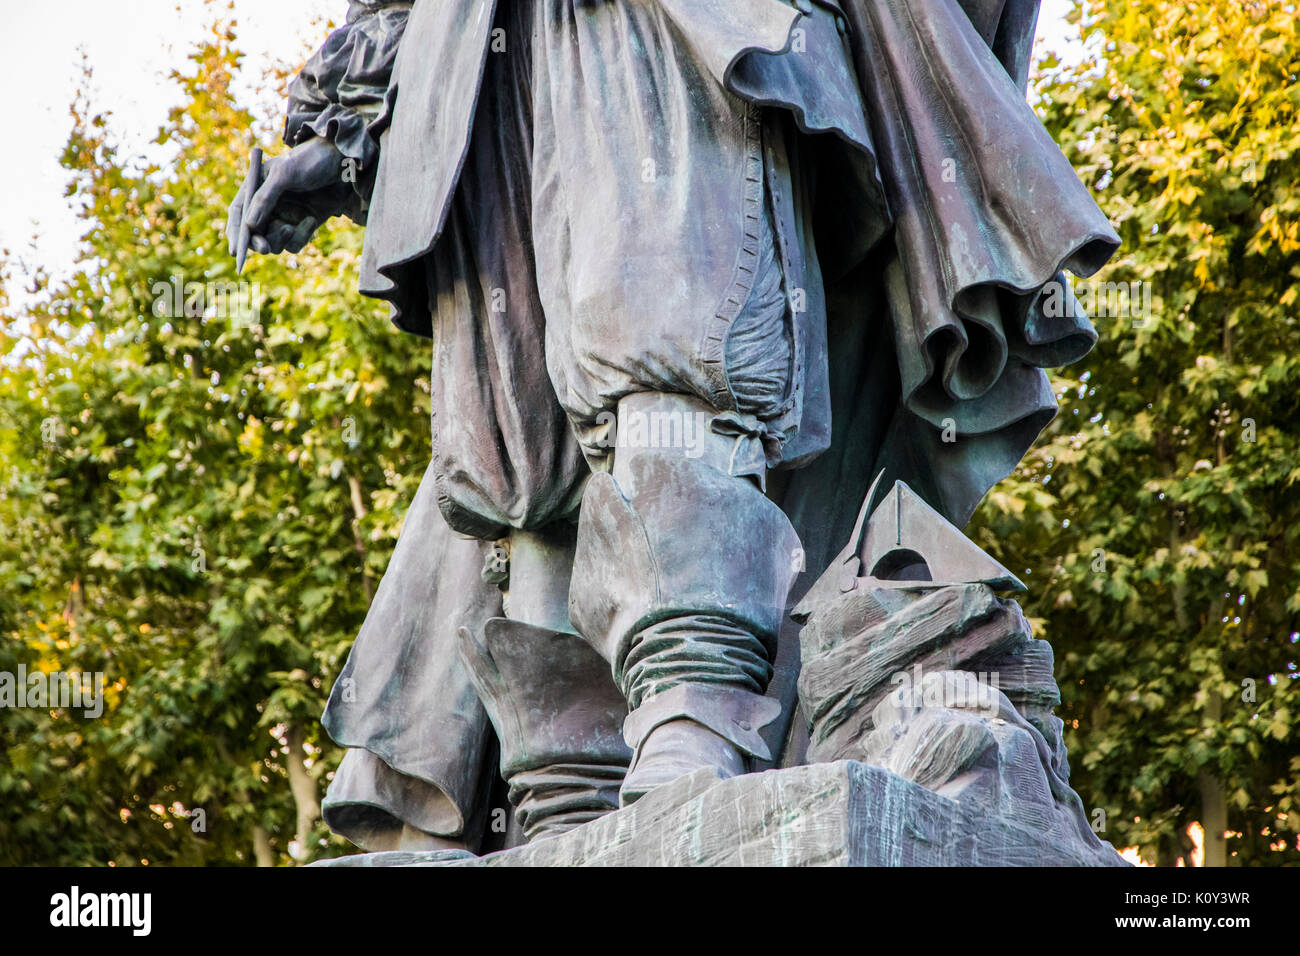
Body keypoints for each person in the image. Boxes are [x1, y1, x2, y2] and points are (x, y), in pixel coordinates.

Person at [227, 0, 1117, 846]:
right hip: (486, 71)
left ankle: (693, 715)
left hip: (681, 30)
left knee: (671, 334)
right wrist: (338, 144)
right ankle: (566, 786)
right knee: (523, 454)